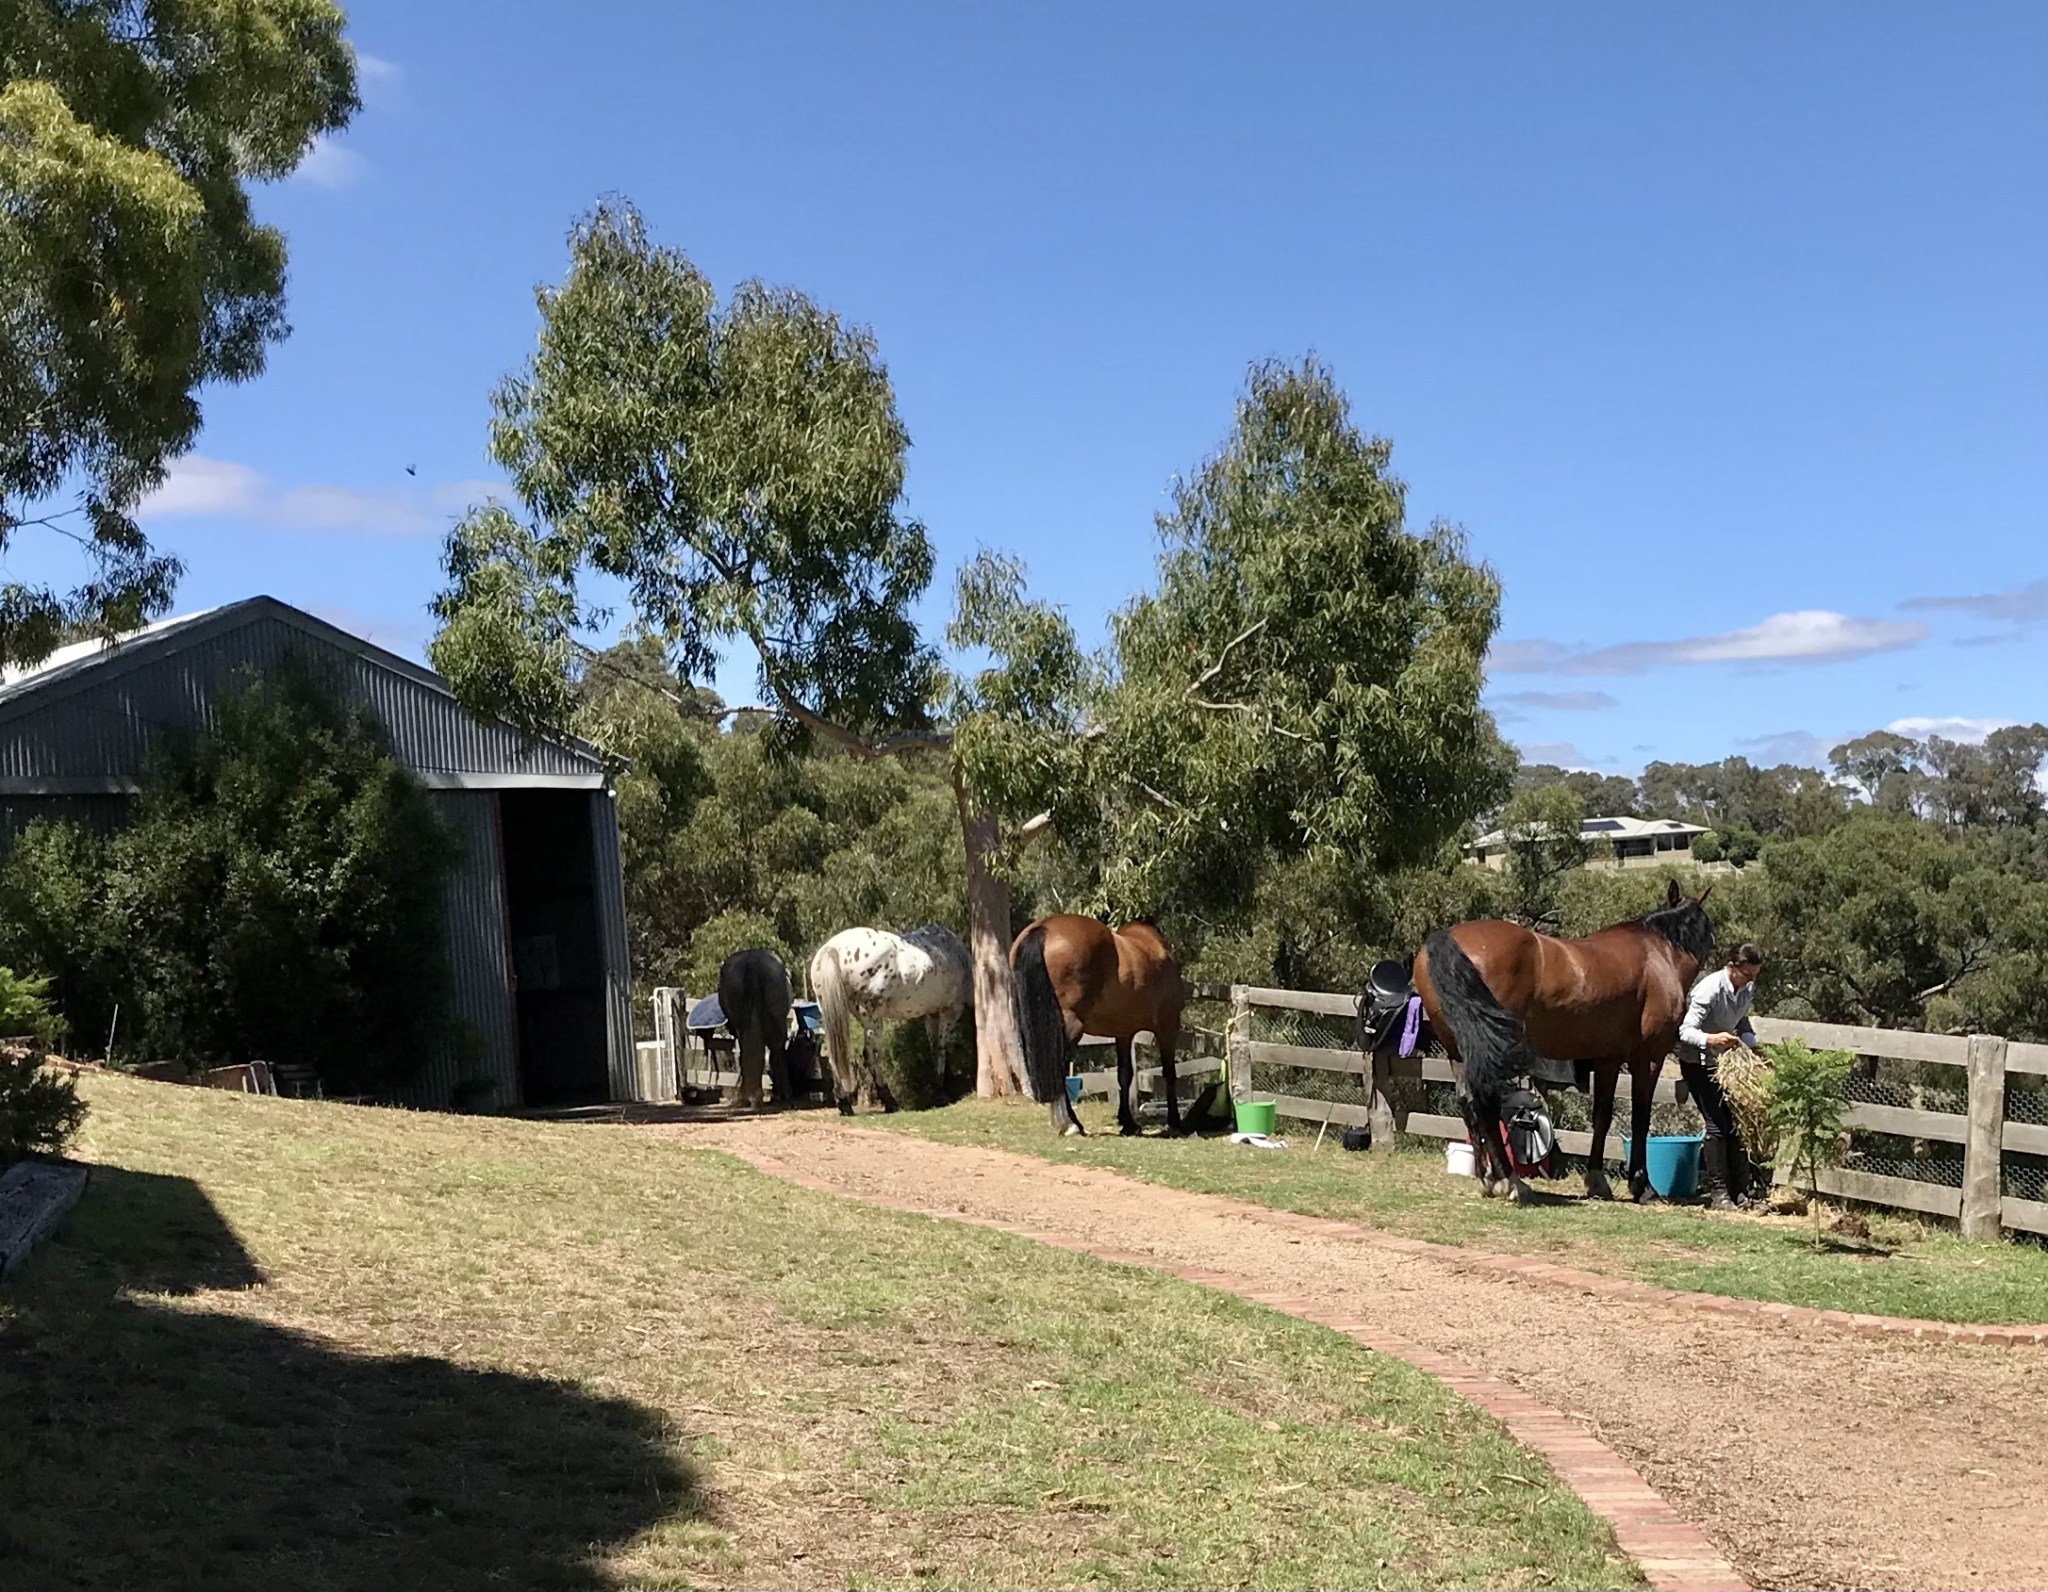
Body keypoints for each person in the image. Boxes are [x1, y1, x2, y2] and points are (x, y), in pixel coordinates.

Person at [1678, 943, 1763, 1210]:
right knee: (1716, 1124)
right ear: (1732, 967)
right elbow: (1685, 1031)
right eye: (1747, 974)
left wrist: (1750, 1043)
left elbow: (1741, 1020)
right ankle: (1719, 1193)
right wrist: (1711, 1038)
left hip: (1727, 1063)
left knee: (1737, 1123)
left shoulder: (1747, 987)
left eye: (1754, 975)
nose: (1751, 980)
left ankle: (1740, 1191)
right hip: (1699, 1063)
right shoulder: (1709, 989)